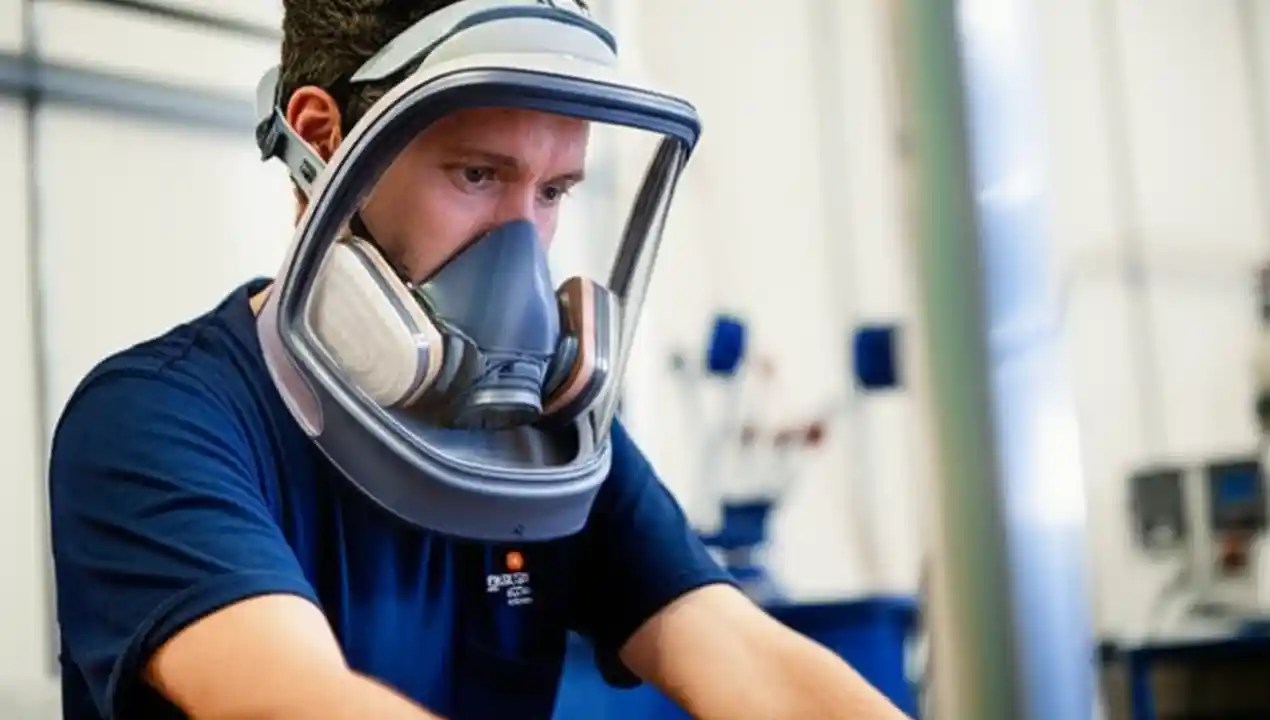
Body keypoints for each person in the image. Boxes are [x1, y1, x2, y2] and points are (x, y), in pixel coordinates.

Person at [47, 2, 910, 719]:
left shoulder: (548, 445)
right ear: (324, 141)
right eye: (475, 175)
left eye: (554, 191)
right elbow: (299, 702)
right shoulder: (157, 424)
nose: (522, 246)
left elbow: (745, 657)